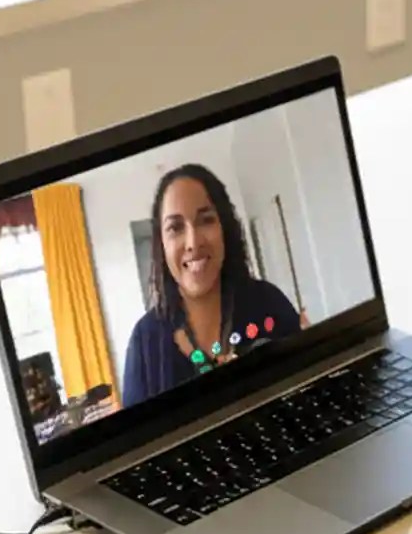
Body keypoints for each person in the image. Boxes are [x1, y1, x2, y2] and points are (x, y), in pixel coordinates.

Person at [122, 164, 300, 407]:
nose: (193, 242)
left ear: (224, 228)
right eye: (175, 228)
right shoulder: (144, 344)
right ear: (161, 245)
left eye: (205, 220)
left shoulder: (269, 303)